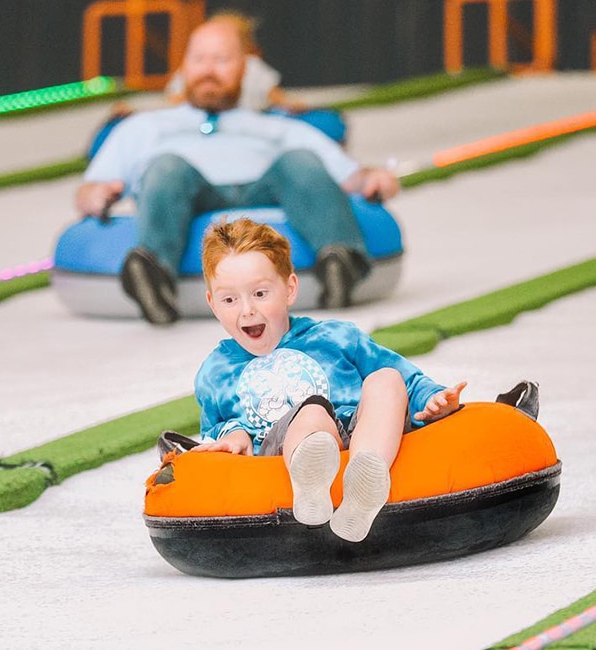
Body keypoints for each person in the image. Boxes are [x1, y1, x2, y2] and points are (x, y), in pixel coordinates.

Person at [76, 16, 399, 325]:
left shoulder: (275, 126)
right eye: (199, 59)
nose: (208, 70)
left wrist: (374, 179)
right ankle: (154, 275)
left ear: (244, 69)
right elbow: (91, 190)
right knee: (165, 166)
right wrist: (96, 196)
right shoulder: (144, 127)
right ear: (183, 67)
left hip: (264, 188)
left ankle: (339, 262)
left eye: (222, 60)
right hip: (186, 191)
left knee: (300, 158)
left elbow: (351, 177)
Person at [191, 219, 466, 543]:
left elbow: (405, 377)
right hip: (283, 444)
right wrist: (233, 434)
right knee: (312, 412)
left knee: (387, 379)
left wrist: (431, 399)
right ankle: (310, 486)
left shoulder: (334, 337)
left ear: (290, 289)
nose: (247, 310)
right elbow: (214, 429)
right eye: (230, 300)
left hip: (356, 431)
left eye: (260, 293)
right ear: (212, 303)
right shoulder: (216, 371)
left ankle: (365, 480)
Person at [163, 11, 308, 113]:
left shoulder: (253, 66)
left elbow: (273, 93)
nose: (209, 68)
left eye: (222, 58)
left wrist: (288, 104)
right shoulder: (191, 67)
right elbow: (176, 97)